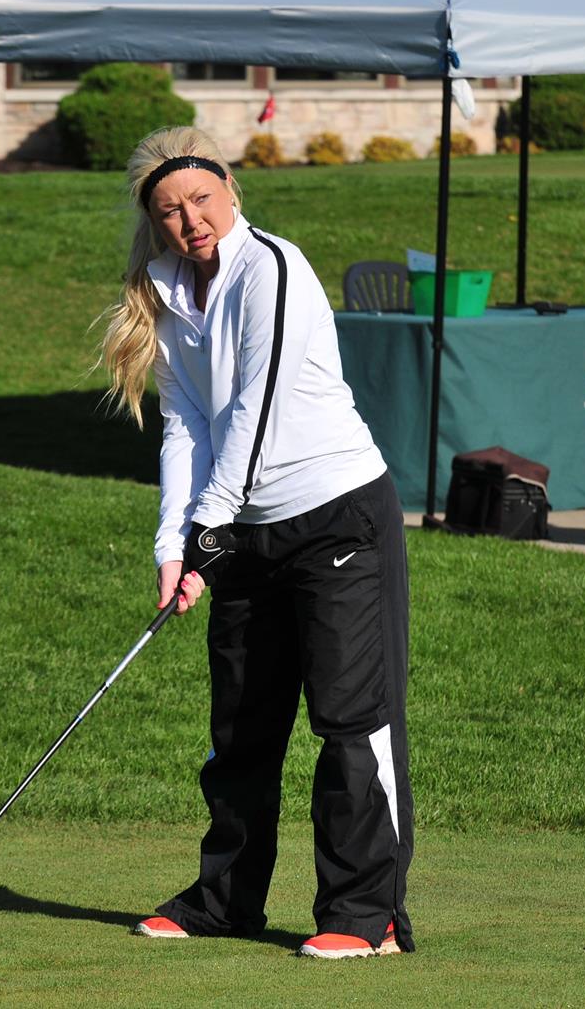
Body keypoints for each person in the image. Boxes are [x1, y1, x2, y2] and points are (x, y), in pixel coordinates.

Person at [97, 126, 414, 957]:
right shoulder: (164, 292)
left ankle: (365, 912)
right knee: (242, 725)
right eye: (170, 210)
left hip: (336, 513)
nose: (190, 219)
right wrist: (175, 541)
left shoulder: (272, 266)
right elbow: (186, 424)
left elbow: (256, 407)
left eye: (201, 199)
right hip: (243, 530)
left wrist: (212, 519)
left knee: (351, 721)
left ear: (230, 190)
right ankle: (225, 899)